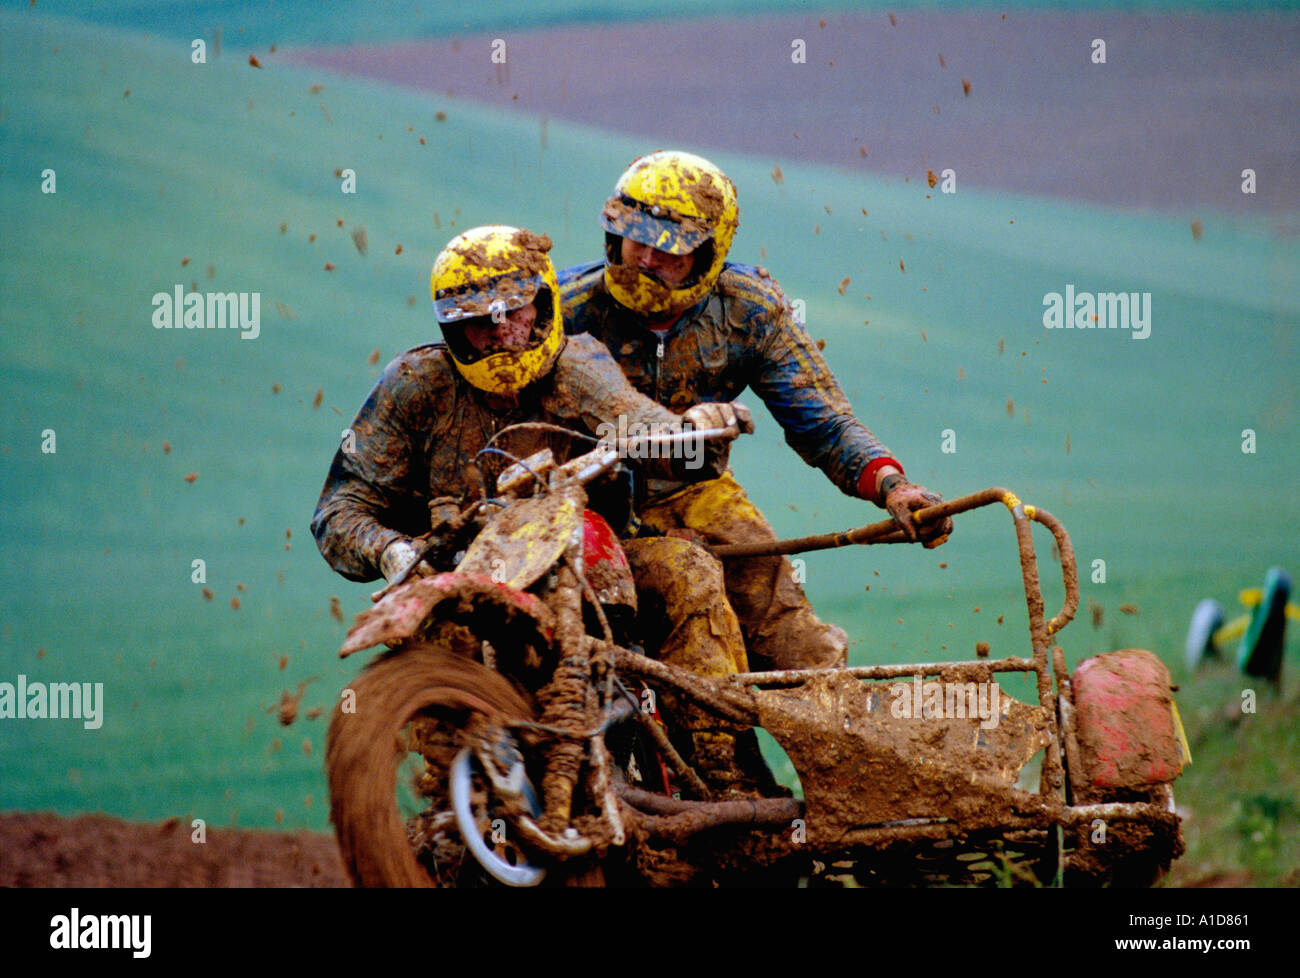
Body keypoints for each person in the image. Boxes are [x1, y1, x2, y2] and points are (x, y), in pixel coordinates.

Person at [311, 224, 761, 794]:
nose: (500, 333)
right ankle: (463, 797)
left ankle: (723, 768)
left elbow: (635, 420)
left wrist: (692, 429)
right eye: (478, 320)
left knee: (689, 571)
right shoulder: (413, 385)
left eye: (514, 312)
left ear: (544, 303)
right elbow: (340, 508)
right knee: (430, 635)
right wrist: (390, 550)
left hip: (594, 566)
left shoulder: (577, 365)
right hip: (464, 584)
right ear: (451, 327)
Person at [559, 150, 953, 673]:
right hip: (581, 501)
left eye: (668, 249)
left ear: (708, 253)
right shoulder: (562, 309)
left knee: (802, 650)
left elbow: (824, 423)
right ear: (613, 233)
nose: (647, 259)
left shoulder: (750, 308)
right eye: (636, 239)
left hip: (700, 493)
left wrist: (892, 486)